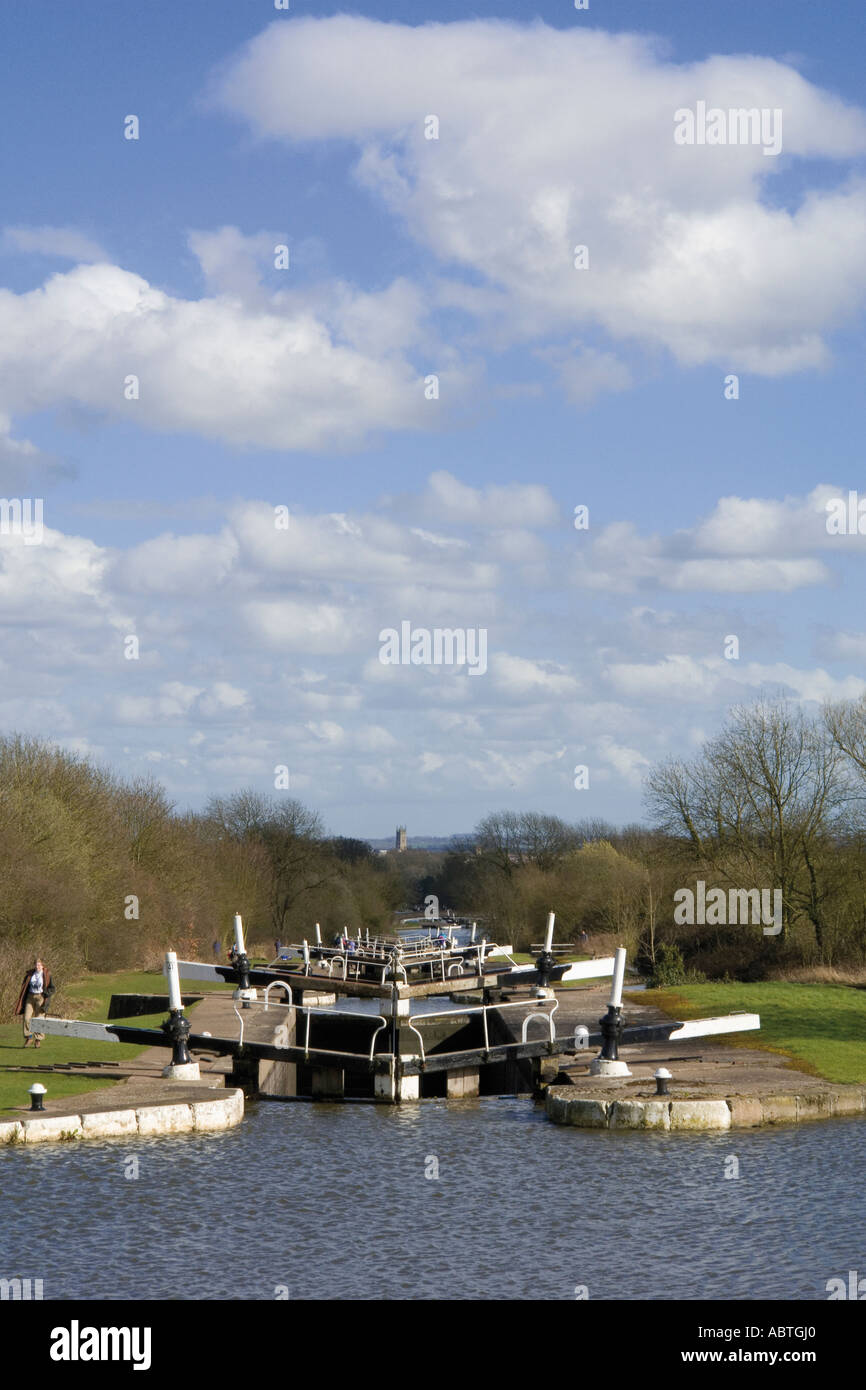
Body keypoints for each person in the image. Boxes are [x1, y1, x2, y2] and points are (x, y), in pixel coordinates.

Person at [16, 957, 54, 1049]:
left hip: (40, 997)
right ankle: (29, 1037)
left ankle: (38, 1040)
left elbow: (52, 988)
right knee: (27, 1018)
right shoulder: (30, 974)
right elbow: (24, 986)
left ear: (42, 965)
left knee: (39, 1019)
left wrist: (46, 994)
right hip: (30, 997)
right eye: (36, 964)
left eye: (39, 964)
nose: (38, 966)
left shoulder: (47, 974)